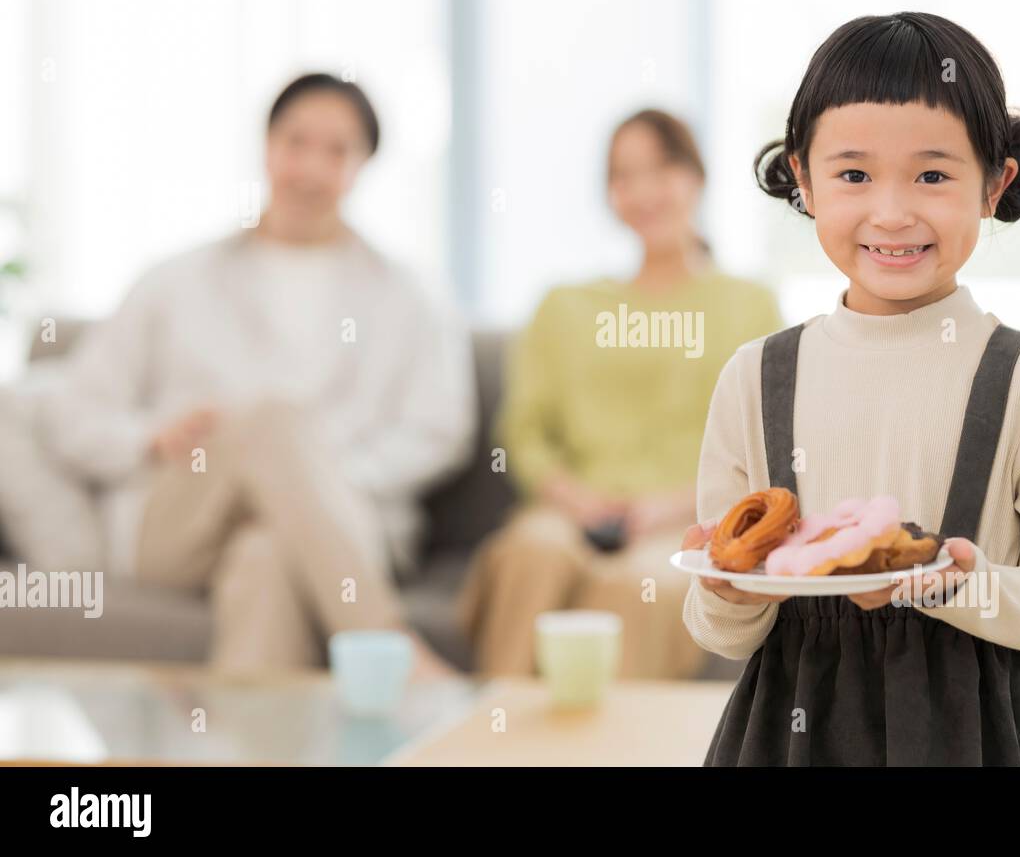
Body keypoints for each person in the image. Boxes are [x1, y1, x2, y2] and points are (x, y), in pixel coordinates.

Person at [681, 12, 1020, 765]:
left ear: (994, 182)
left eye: (933, 174)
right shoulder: (755, 377)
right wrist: (732, 595)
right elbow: (717, 624)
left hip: (969, 734)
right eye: (854, 174)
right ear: (805, 179)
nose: (892, 211)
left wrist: (960, 586)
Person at [41, 73, 476, 676]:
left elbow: (437, 430)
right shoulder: (173, 280)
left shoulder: (410, 296)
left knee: (266, 554)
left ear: (363, 164)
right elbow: (73, 414)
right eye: (296, 143)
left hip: (345, 525)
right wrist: (151, 437)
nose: (311, 168)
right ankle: (391, 654)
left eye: (337, 150)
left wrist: (301, 482)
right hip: (182, 523)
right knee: (269, 420)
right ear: (268, 146)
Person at [458, 109, 783, 679]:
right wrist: (576, 499)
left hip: (689, 518)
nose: (642, 191)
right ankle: (497, 735)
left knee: (639, 585)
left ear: (695, 177)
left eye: (660, 168)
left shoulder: (748, 304)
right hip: (572, 512)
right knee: (530, 554)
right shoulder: (564, 306)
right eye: (623, 175)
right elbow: (524, 433)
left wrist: (675, 505)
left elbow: (766, 437)